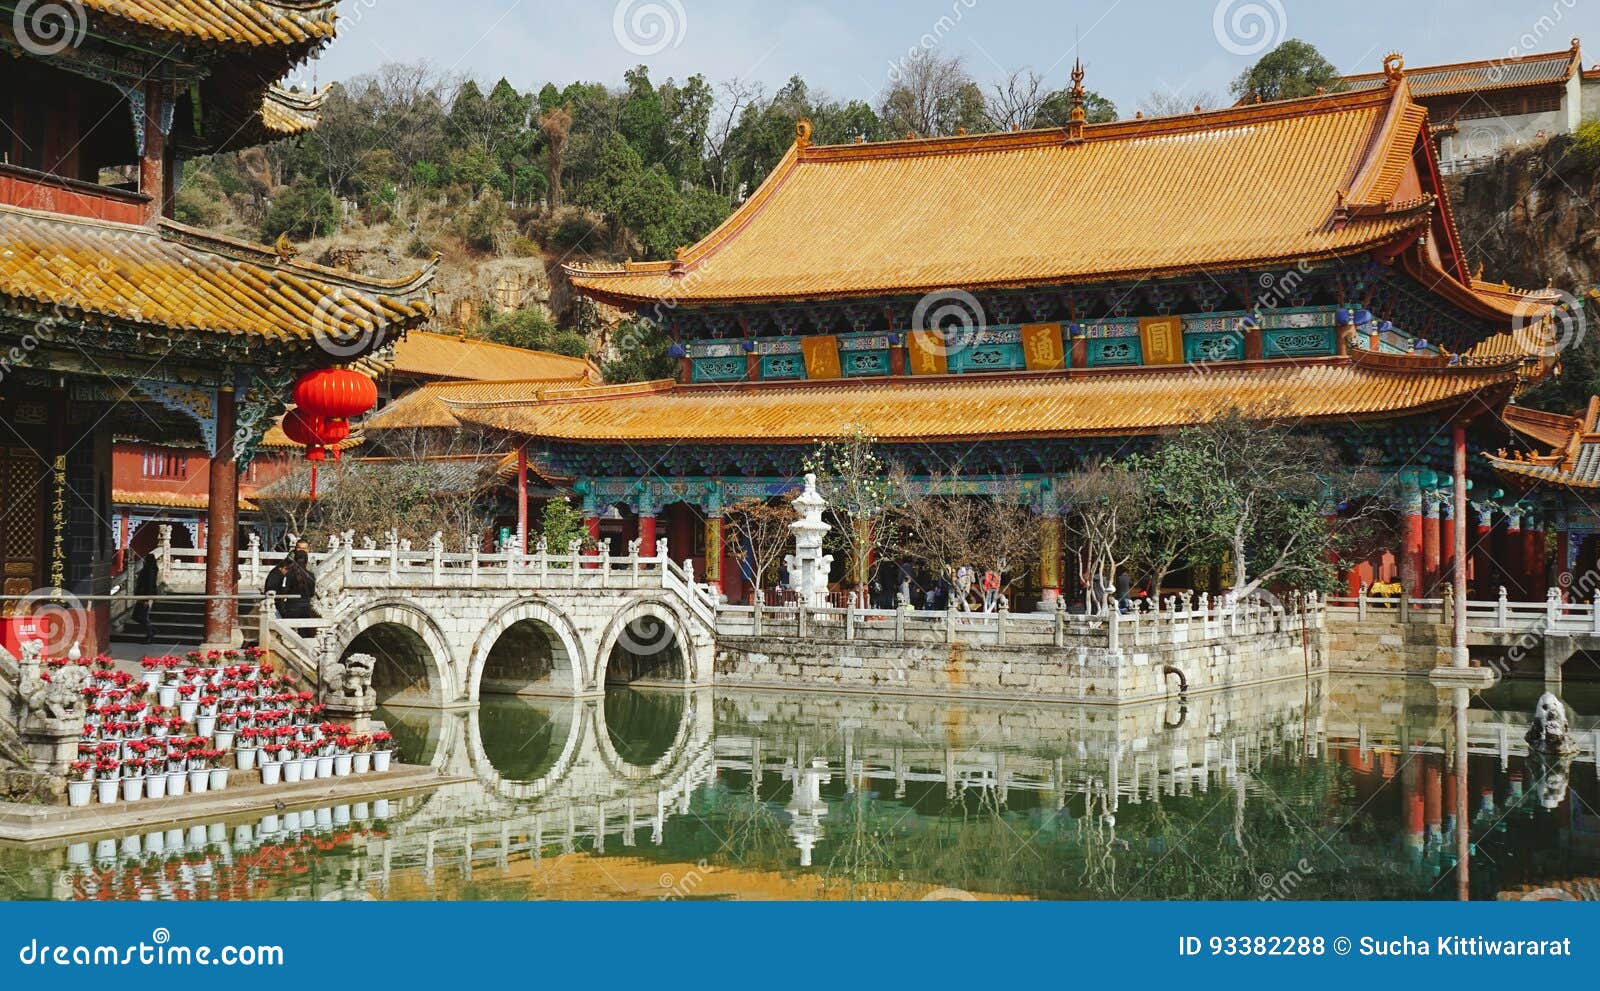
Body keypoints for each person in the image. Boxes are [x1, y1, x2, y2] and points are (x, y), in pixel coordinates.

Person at [131, 555, 158, 643]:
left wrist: (147, 599)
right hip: (142, 596)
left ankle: (150, 633)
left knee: (141, 616)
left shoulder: (149, 570)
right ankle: (152, 630)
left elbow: (149, 585)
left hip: (145, 596)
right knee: (137, 616)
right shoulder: (150, 569)